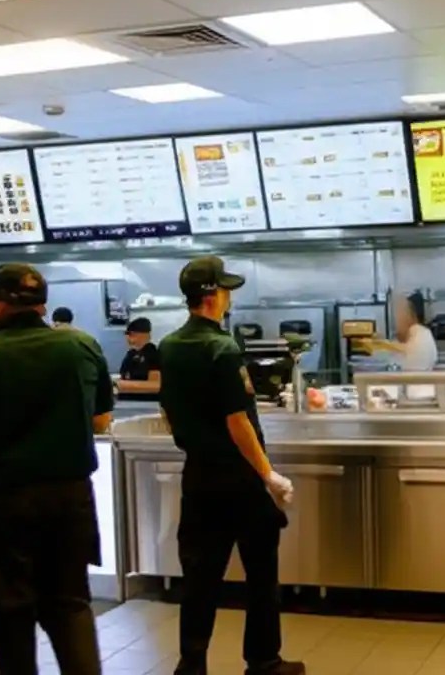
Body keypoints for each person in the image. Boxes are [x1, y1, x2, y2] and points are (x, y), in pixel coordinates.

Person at [0, 263, 113, 675]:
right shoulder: (81, 347)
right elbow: (101, 421)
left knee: (11, 609)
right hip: (70, 499)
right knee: (70, 604)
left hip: (2, 504)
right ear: (43, 306)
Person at [158, 256, 304, 675]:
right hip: (237, 479)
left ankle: (192, 664)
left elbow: (170, 408)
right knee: (261, 573)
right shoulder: (222, 347)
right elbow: (238, 422)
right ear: (211, 296)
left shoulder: (169, 346)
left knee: (200, 577)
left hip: (198, 477)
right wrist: (268, 475)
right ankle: (263, 661)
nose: (228, 297)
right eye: (225, 289)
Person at [370, 291, 438, 371]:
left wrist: (382, 345)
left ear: (411, 314)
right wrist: (383, 343)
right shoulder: (425, 333)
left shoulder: (417, 336)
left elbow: (405, 362)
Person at [117, 317, 160, 398]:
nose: (128, 338)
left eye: (131, 335)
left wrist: (123, 385)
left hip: (144, 402)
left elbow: (156, 385)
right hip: (127, 401)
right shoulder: (131, 354)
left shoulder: (152, 354)